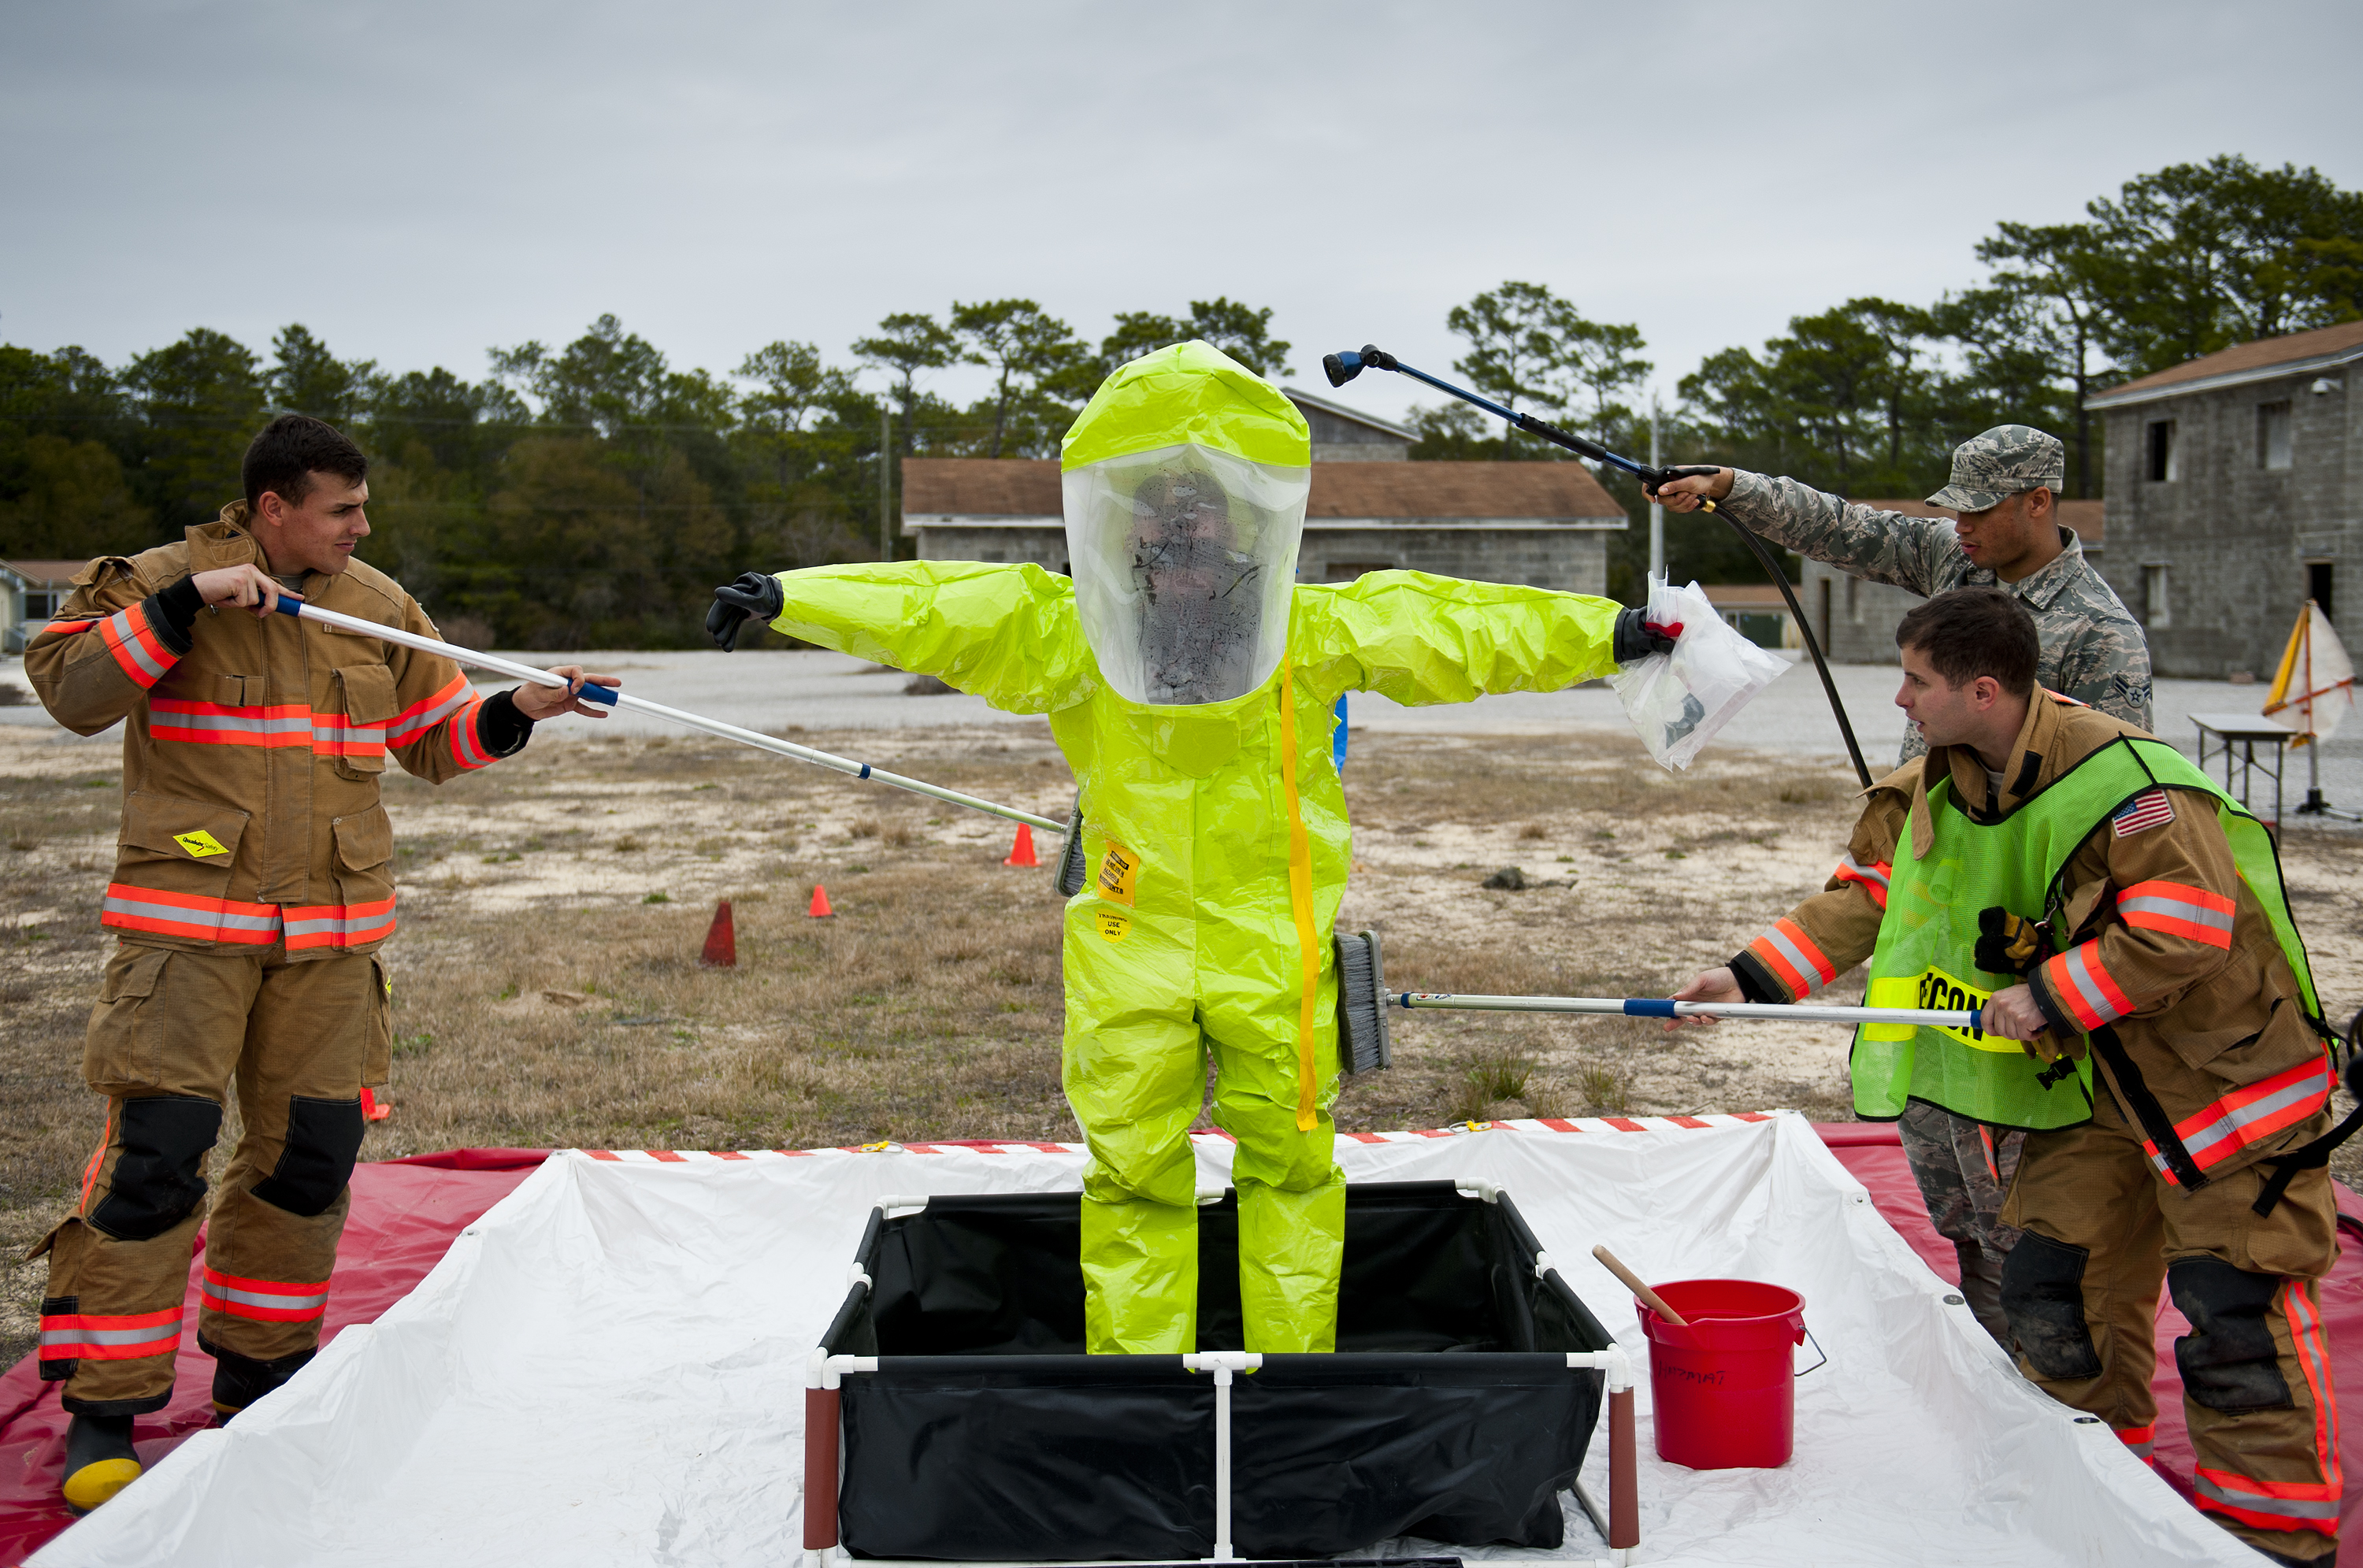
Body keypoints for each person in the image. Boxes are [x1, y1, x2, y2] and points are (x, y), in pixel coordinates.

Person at [707, 340, 1674, 1356]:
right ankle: (1141, 1399)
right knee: (1130, 1171)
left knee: (1293, 1166)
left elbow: (1458, 628)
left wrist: (1608, 633)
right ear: (1122, 517)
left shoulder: (1309, 629)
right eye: (1159, 503)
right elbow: (940, 607)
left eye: (1202, 501)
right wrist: (794, 597)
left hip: (1275, 941)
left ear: (1246, 514)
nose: (1181, 523)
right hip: (1130, 936)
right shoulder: (1070, 632)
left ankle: (1295, 1389)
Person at [1670, 588, 2339, 1568]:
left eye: (1916, 680)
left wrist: (2052, 993)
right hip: (2094, 1090)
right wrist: (1750, 977)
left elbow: (2186, 927)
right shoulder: (1940, 784)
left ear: (1984, 691)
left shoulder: (2136, 786)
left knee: (2233, 1307)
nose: (1899, 699)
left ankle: (2277, 1537)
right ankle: (2095, 1478)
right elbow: (1872, 895)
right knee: (2053, 1285)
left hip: (2226, 1087)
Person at [24, 414, 614, 1514]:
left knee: (309, 1158)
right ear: (271, 509)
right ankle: (107, 1405)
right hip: (186, 936)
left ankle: (261, 1380)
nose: (362, 524)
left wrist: (523, 707)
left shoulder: (380, 604)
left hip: (331, 946)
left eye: (364, 505)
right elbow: (69, 692)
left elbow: (437, 740)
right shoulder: (159, 579)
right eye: (342, 507)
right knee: (159, 1159)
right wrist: (183, 608)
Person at [1653, 426, 2151, 1349]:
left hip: (2019, 980)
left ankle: (2056, 1391)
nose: (1954, 523)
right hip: (1922, 931)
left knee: (2035, 1226)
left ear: (2038, 503)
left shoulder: (2099, 634)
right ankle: (1999, 1358)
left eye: (1979, 507)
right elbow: (1845, 527)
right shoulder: (1956, 565)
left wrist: (2052, 989)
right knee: (1959, 1202)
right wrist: (1732, 485)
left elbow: (2114, 827)